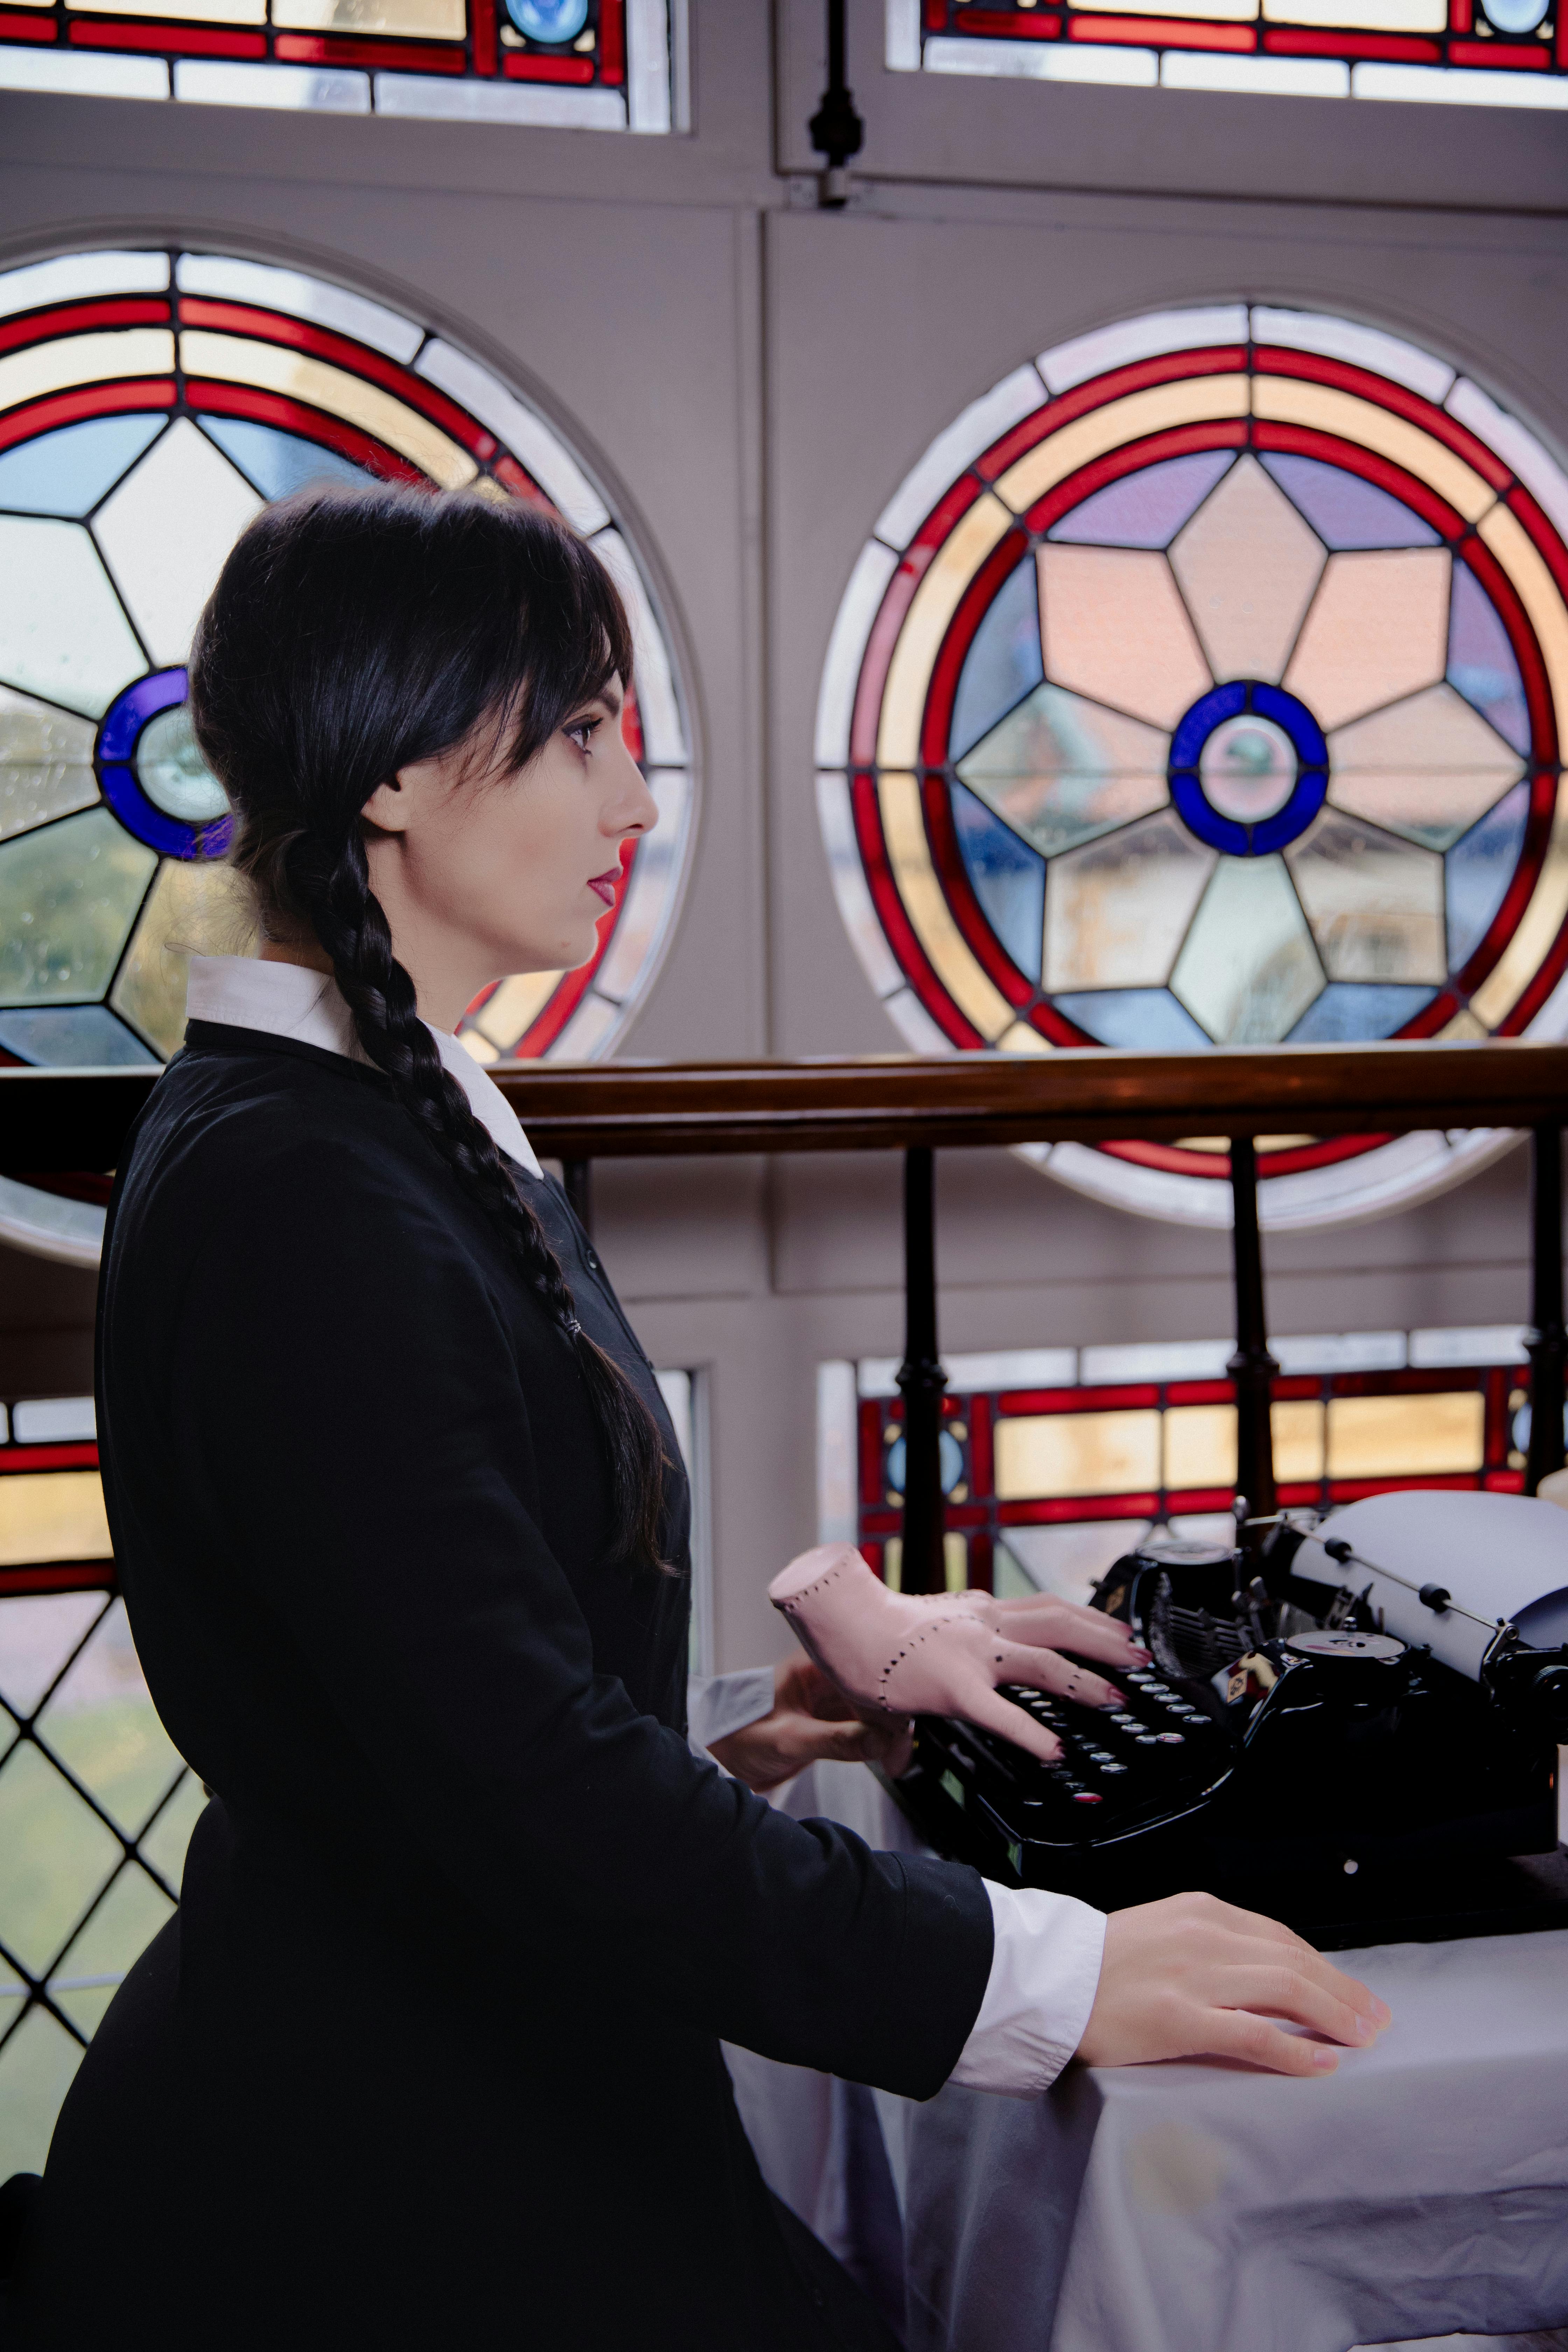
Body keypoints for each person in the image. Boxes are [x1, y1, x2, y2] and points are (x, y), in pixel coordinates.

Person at [19, 488, 1388, 2352]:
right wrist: (1052, 1971)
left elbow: (430, 1693)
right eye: (584, 733)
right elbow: (522, 1794)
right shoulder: (307, 1195)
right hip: (387, 2200)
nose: (637, 804)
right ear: (401, 771)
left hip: (473, 2102)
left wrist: (748, 1735)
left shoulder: (360, 1120)